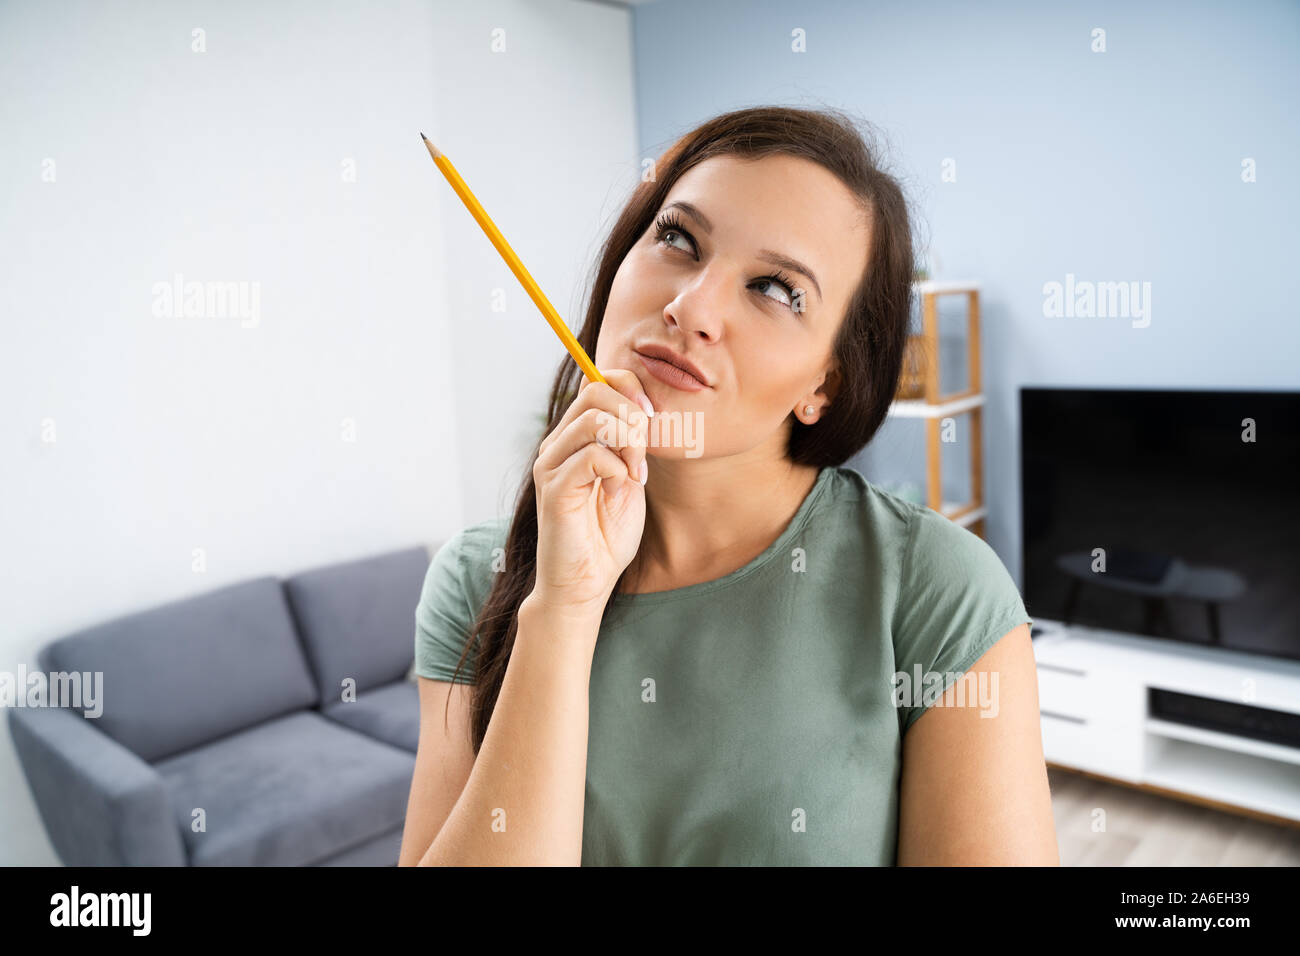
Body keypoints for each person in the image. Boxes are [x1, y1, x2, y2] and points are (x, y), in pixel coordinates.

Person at [398, 106, 1058, 866]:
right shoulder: (473, 580)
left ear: (826, 382)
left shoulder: (937, 588)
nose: (692, 307)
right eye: (678, 239)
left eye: (776, 289)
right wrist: (562, 613)